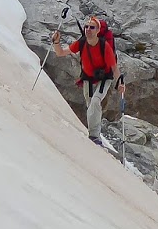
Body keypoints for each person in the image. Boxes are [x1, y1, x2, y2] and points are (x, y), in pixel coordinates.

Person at [51, 15, 125, 146]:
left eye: (92, 27)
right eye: (86, 27)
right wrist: (56, 42)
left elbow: (114, 67)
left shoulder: (105, 46)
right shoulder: (82, 43)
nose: (88, 29)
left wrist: (120, 82)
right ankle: (94, 135)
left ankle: (94, 136)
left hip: (105, 77)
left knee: (95, 101)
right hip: (88, 77)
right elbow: (60, 53)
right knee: (91, 104)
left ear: (97, 30)